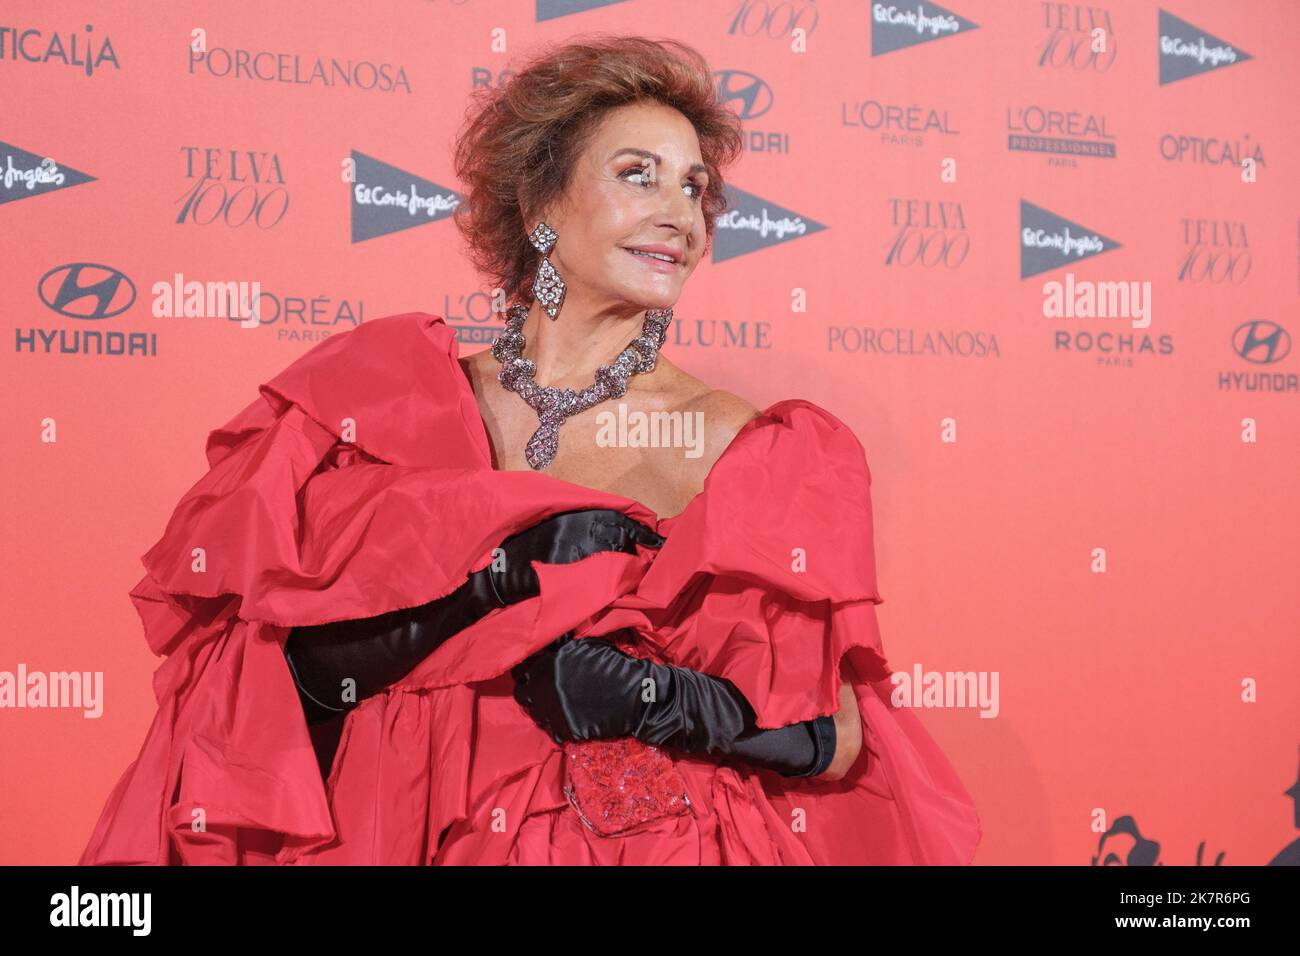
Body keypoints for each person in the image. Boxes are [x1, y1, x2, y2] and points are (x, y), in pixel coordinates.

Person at [80, 34, 980, 865]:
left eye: (697, 189)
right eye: (641, 175)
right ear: (542, 201)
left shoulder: (753, 445)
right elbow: (241, 683)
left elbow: (835, 731)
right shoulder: (373, 401)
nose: (681, 212)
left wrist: (654, 701)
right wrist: (470, 598)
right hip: (385, 831)